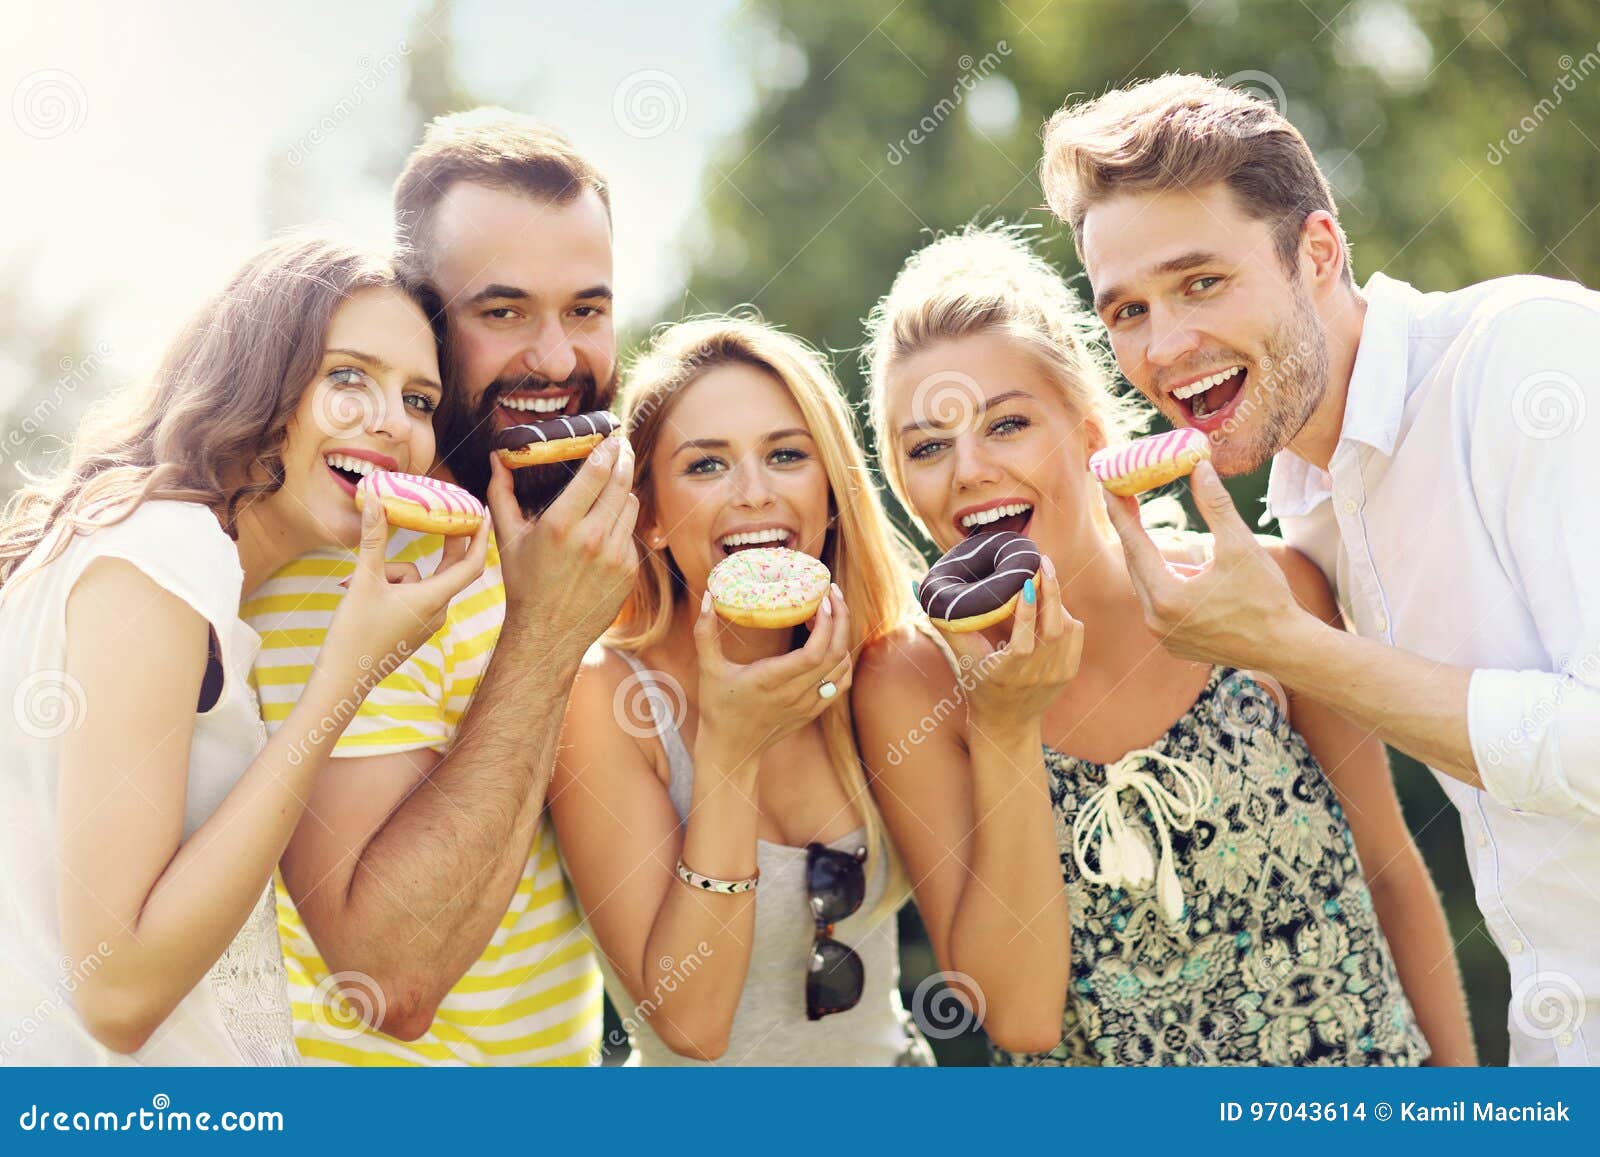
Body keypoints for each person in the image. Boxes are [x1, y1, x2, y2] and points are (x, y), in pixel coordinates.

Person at [1041, 73, 1598, 1065]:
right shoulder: (1305, 496)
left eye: (1201, 281)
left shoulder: (1531, 360)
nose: (1165, 345)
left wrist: (1286, 645)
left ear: (1318, 252)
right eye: (1124, 310)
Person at [856, 224, 1476, 1066]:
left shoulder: (1268, 590)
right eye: (926, 445)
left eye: (1006, 425)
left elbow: (1392, 872)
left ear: (1087, 437)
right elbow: (1021, 1018)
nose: (967, 470)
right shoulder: (911, 686)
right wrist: (1004, 726)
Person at [0, 234, 485, 1064]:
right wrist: (349, 674)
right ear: (259, 373)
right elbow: (117, 991)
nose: (391, 422)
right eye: (348, 376)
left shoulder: (166, 551)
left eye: (418, 398)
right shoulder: (164, 551)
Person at [242, 109, 635, 1065]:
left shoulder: (559, 541)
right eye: (502, 313)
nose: (554, 358)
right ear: (419, 316)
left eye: (586, 309)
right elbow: (391, 979)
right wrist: (546, 638)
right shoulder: (347, 564)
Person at [551, 315, 933, 1065]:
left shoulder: (886, 663)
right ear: (652, 515)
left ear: (829, 489)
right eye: (706, 466)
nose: (754, 493)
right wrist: (730, 748)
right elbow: (690, 1024)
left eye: (786, 454)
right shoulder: (607, 698)